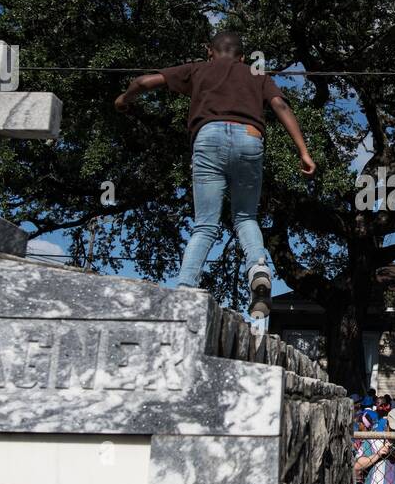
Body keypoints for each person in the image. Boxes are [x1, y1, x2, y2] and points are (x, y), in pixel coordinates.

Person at [114, 30, 316, 318]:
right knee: (245, 217)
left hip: (208, 138)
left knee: (206, 223)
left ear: (210, 51)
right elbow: (280, 105)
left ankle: (185, 289)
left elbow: (144, 82)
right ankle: (258, 270)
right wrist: (303, 151)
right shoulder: (256, 74)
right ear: (243, 57)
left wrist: (124, 98)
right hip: (250, 138)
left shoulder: (198, 68)